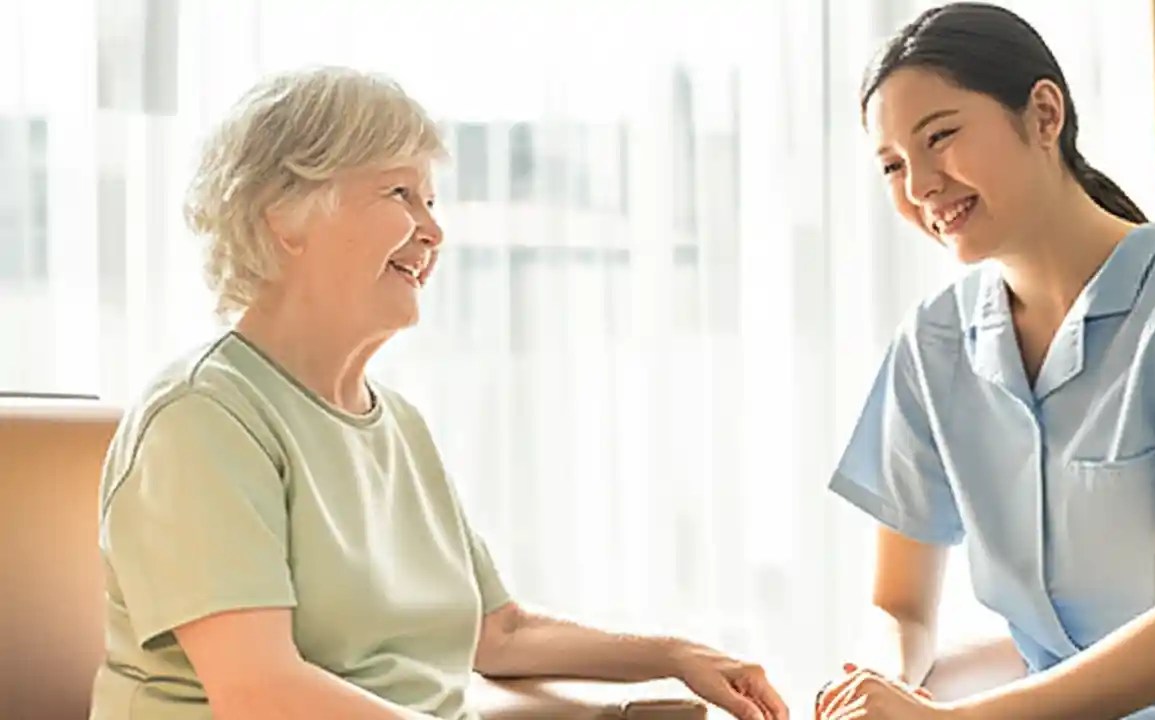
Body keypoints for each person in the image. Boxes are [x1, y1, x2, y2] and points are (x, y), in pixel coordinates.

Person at [89, 66, 789, 720]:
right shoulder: (202, 417)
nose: (434, 230)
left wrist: (674, 655)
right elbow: (259, 690)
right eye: (399, 193)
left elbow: (500, 634)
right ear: (284, 215)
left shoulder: (398, 425)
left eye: (432, 198)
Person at [816, 3, 1155, 719]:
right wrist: (872, 689)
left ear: (1043, 114)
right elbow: (902, 608)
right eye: (893, 166)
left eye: (940, 137)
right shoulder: (932, 345)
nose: (921, 186)